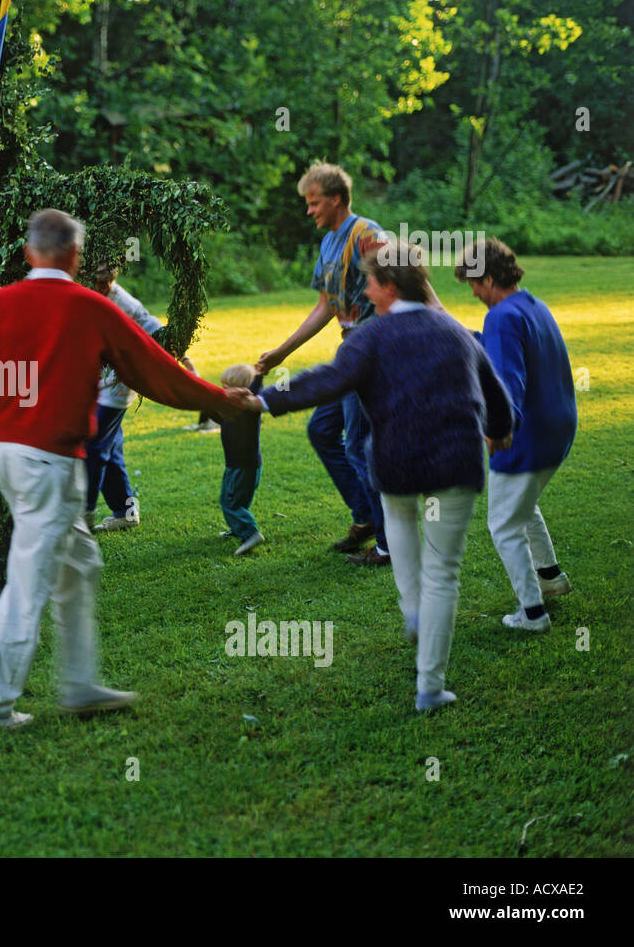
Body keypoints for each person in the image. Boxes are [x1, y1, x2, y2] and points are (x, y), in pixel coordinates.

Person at [0, 209, 245, 730]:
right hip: (50, 463)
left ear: (31, 253)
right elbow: (155, 370)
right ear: (75, 257)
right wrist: (220, 399)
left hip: (13, 457)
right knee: (30, 582)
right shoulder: (90, 307)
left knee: (79, 566)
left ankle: (78, 685)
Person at [241, 245, 513, 712]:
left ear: (389, 287)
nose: (364, 291)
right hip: (456, 462)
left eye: (369, 282)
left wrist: (265, 399)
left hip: (398, 463)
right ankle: (430, 687)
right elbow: (495, 390)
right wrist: (502, 429)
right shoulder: (455, 331)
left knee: (405, 545)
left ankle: (412, 612)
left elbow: (324, 380)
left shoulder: (371, 336)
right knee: (443, 573)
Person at [256, 162, 391, 566]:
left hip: (372, 352)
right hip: (349, 349)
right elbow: (327, 307)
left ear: (335, 200)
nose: (309, 211)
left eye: (314, 203)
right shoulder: (328, 243)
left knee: (359, 445)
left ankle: (388, 546)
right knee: (322, 429)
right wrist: (283, 351)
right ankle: (365, 516)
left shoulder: (368, 235)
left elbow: (398, 287)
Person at [456, 239, 577, 631]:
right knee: (523, 506)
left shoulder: (501, 317)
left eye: (474, 283)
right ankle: (551, 578)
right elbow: (511, 352)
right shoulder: (531, 305)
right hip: (559, 430)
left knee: (504, 524)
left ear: (489, 278)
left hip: (527, 436)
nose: (472, 292)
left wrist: (499, 429)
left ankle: (532, 612)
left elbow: (508, 384)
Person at [84, 265, 198, 531]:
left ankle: (83, 514)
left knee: (94, 444)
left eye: (107, 283)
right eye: (98, 282)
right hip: (91, 382)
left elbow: (153, 327)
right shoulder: (78, 292)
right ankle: (125, 512)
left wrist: (185, 359)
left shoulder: (121, 301)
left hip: (117, 385)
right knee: (109, 448)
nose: (103, 288)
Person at [218, 364, 264, 555]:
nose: (223, 391)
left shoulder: (249, 408)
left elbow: (255, 392)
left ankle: (251, 533)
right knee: (238, 499)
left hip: (243, 466)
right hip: (239, 465)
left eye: (227, 387)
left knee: (230, 502)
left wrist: (259, 375)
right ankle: (239, 527)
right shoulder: (228, 410)